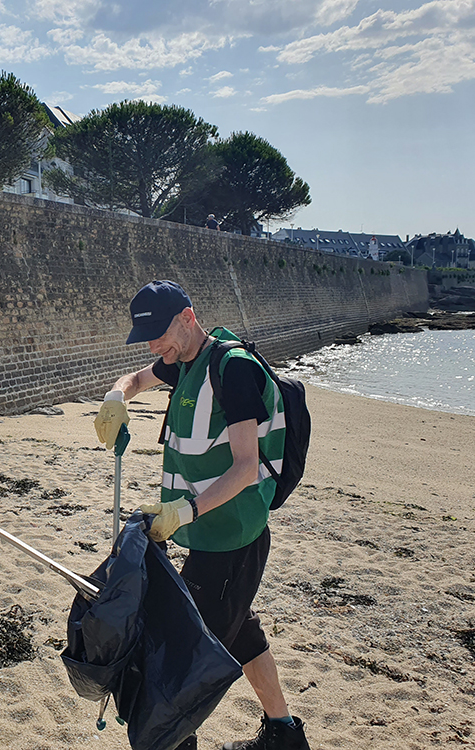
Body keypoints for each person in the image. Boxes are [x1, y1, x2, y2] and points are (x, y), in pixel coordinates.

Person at [93, 280, 311, 750]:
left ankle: (175, 742)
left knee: (184, 657)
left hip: (232, 537)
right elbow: (137, 378)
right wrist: (117, 397)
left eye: (159, 335)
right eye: (147, 339)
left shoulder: (232, 369)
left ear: (188, 319)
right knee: (242, 633)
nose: (155, 347)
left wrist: (183, 510)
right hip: (205, 532)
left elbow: (246, 467)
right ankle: (284, 734)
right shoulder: (183, 362)